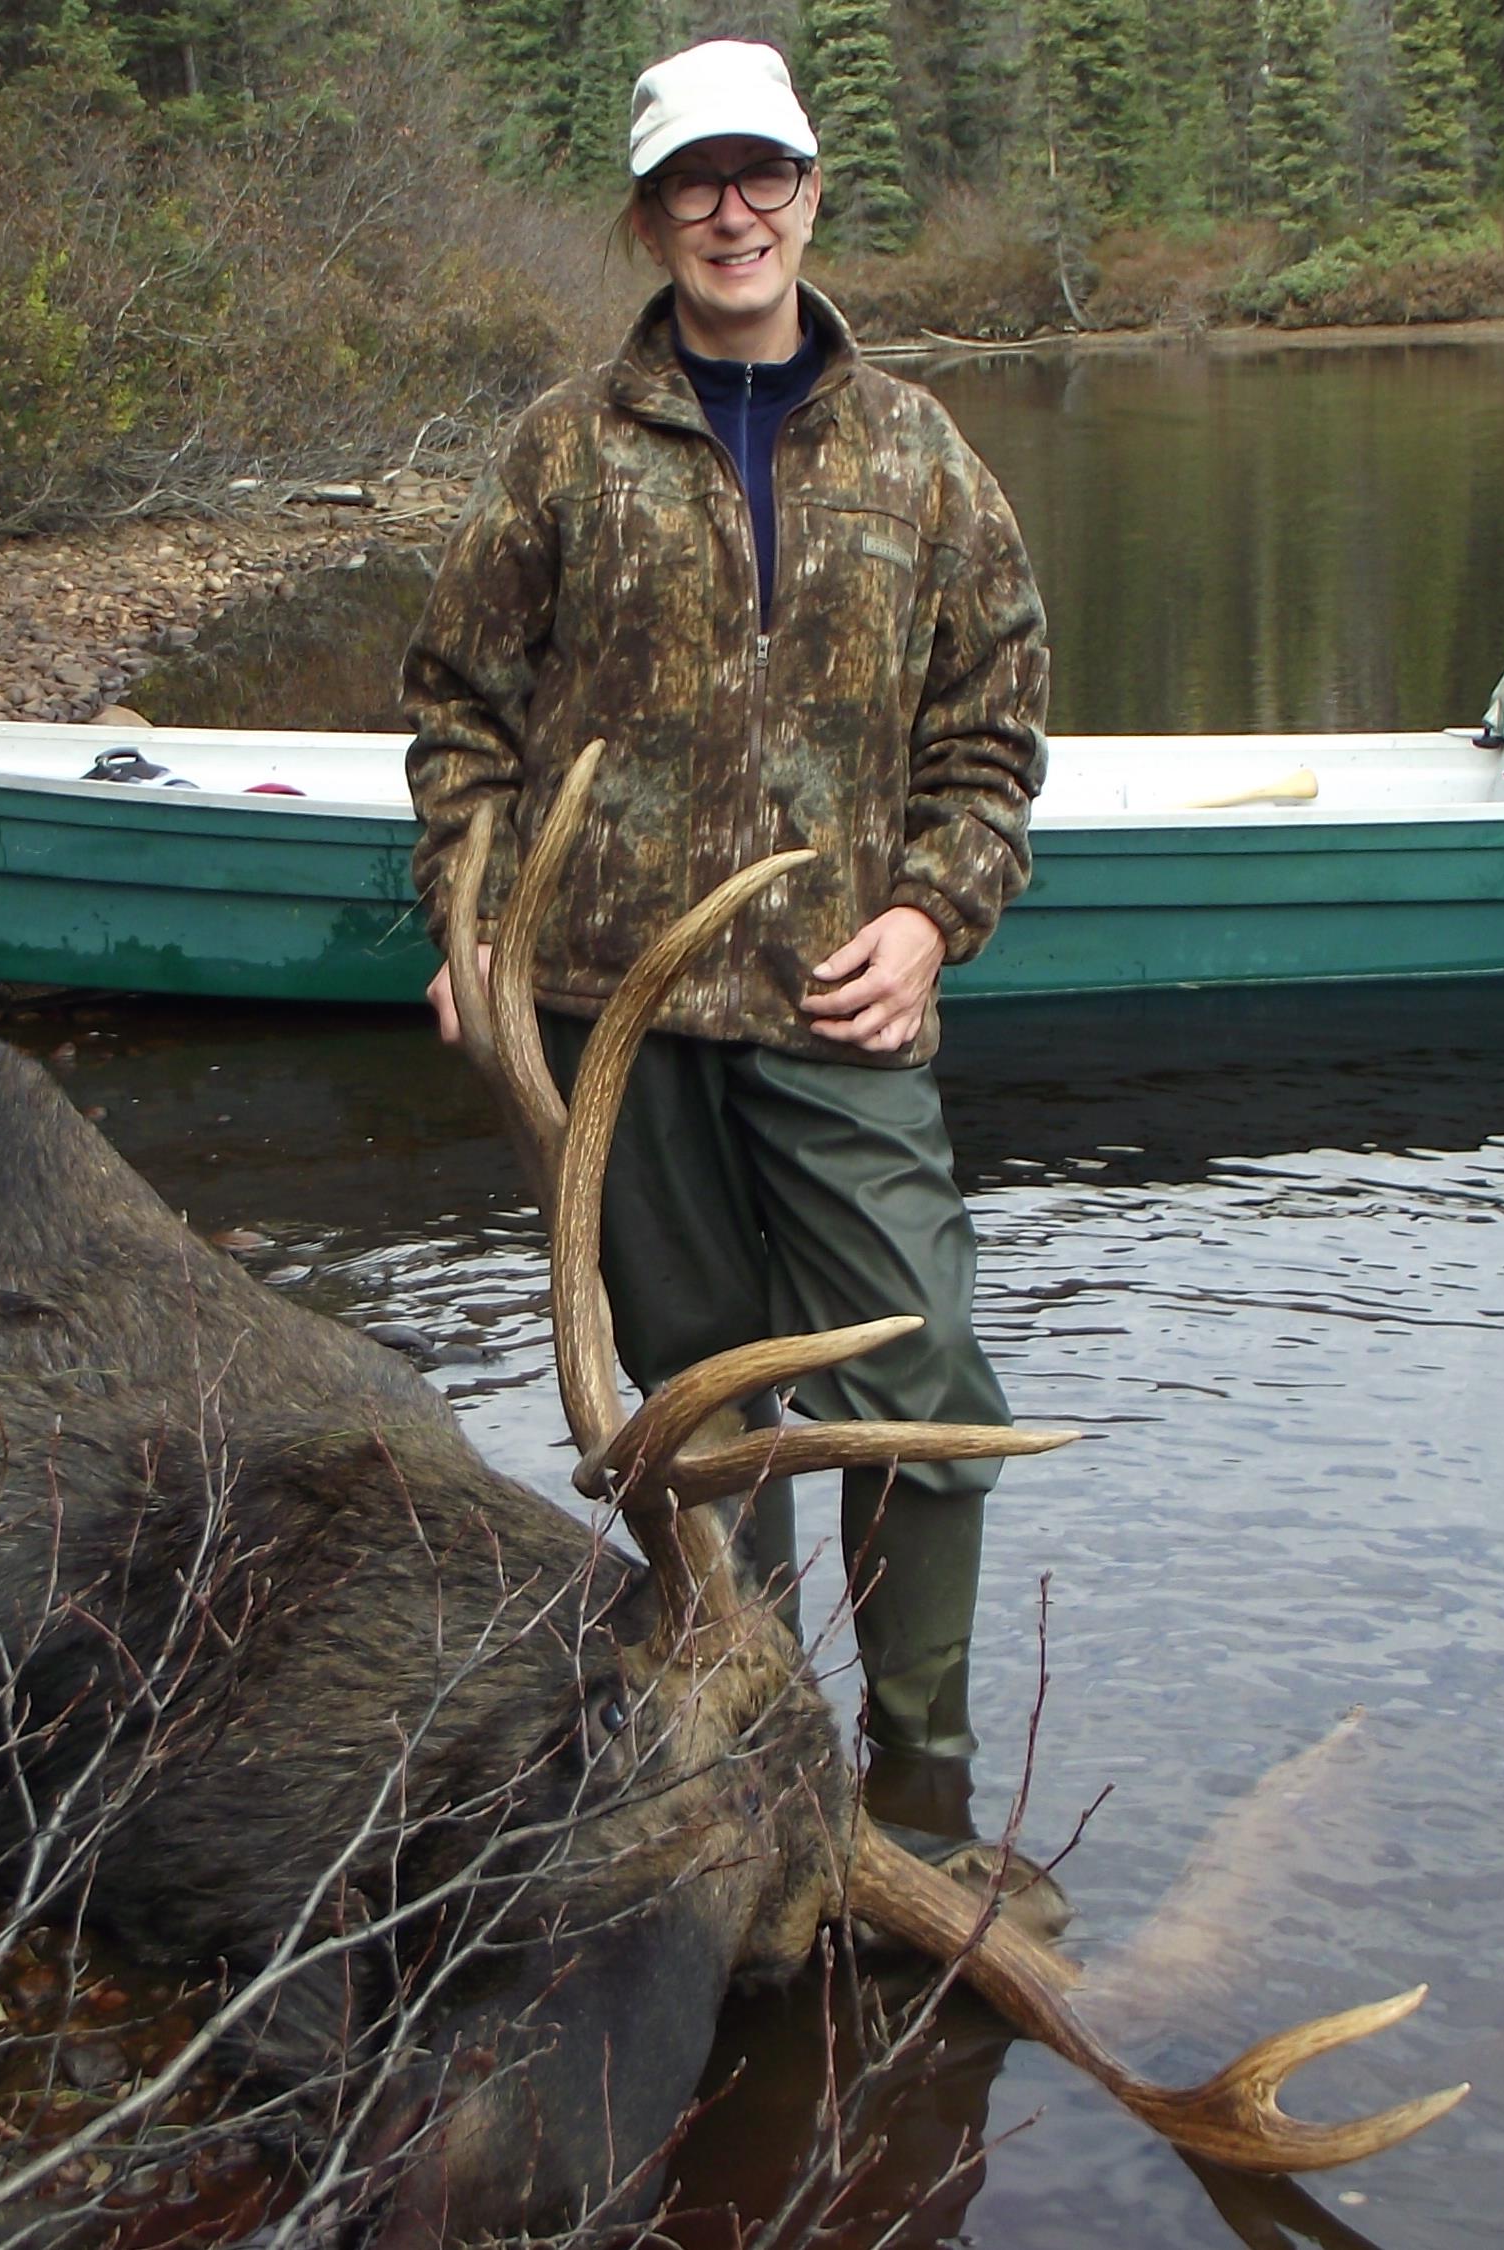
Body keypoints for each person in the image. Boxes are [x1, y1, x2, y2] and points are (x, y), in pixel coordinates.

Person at [401, 40, 1052, 1894]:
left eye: (764, 174)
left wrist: (930, 916)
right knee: (697, 1413)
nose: (734, 211)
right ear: (649, 217)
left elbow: (993, 729)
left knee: (926, 1392)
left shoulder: (921, 453)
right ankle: (755, 1764)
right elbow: (458, 710)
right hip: (612, 1023)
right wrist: (471, 921)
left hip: (839, 1007)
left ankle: (920, 1798)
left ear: (813, 196)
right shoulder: (560, 450)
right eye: (697, 181)